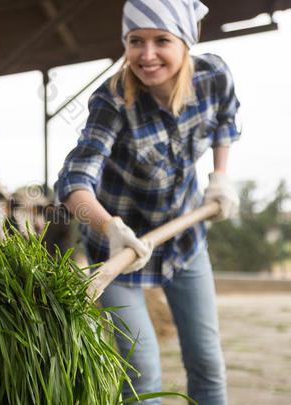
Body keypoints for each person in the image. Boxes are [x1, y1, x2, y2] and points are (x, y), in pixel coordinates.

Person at [56, 1, 240, 404]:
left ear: (187, 42)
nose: (147, 54)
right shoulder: (113, 101)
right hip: (121, 252)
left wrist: (220, 176)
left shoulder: (213, 76)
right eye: (135, 41)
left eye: (162, 40)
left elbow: (226, 119)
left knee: (207, 363)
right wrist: (111, 228)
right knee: (143, 375)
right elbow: (74, 180)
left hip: (184, 241)